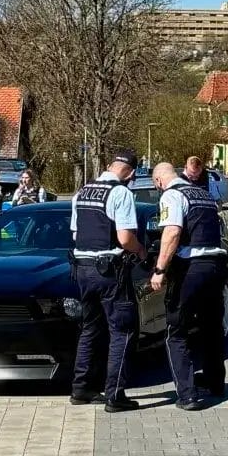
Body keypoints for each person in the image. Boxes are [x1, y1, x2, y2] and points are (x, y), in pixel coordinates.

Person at [69, 149, 147, 413]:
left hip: (82, 268)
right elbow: (125, 238)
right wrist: (140, 250)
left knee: (90, 328)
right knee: (122, 331)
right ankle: (115, 395)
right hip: (109, 271)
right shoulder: (120, 193)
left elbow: (76, 233)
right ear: (131, 173)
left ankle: (81, 388)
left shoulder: (83, 192)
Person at [151, 161, 228, 411]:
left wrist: (160, 269)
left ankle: (187, 394)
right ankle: (215, 383)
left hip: (191, 267)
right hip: (216, 266)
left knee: (177, 330)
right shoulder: (203, 194)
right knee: (211, 327)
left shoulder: (172, 195)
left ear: (159, 181)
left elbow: (172, 233)